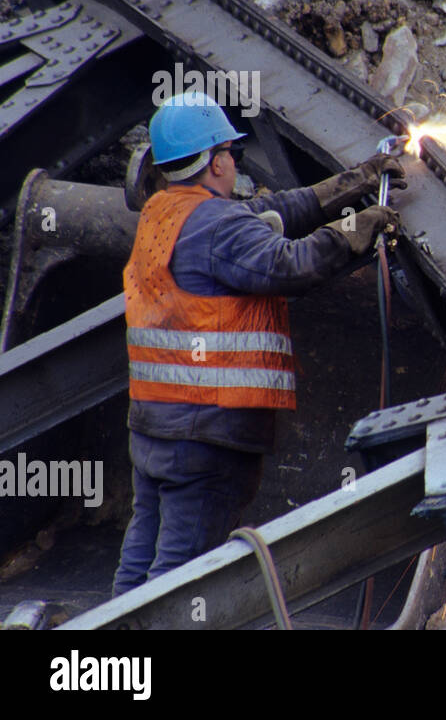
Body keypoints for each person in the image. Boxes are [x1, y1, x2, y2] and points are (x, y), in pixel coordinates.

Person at [112, 91, 405, 597]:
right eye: (231, 152)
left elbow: (268, 212)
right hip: (208, 435)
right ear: (218, 159)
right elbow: (290, 265)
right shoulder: (219, 225)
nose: (233, 162)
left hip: (157, 428)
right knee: (182, 580)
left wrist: (351, 184)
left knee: (141, 561)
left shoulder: (163, 213)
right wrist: (360, 226)